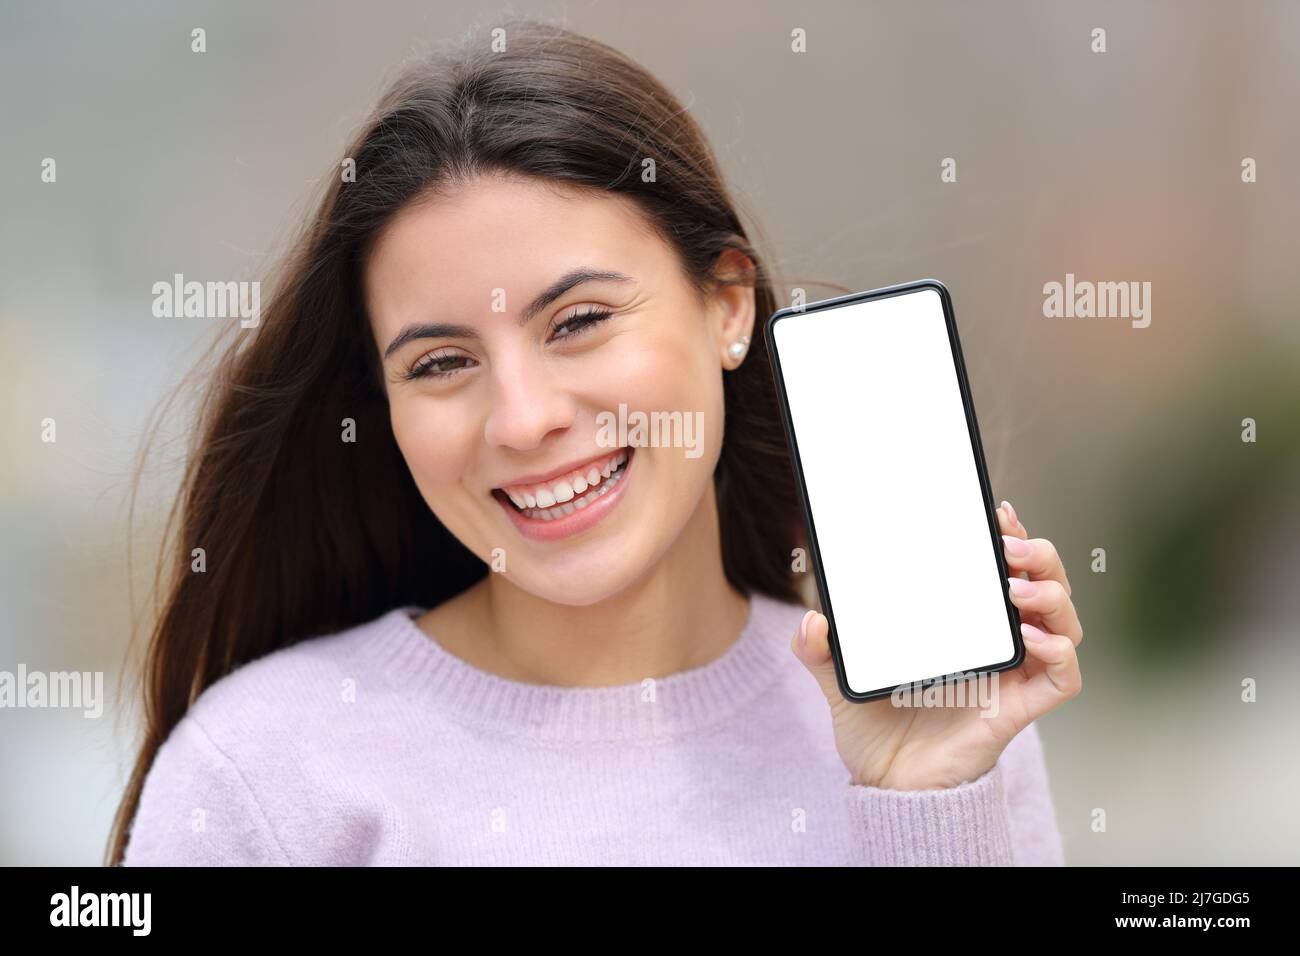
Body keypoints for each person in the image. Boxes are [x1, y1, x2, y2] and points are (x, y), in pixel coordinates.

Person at [108, 19, 1081, 867]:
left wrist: (923, 800)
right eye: (441, 362)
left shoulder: (944, 722)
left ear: (727, 306)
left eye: (576, 320)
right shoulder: (262, 773)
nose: (524, 418)